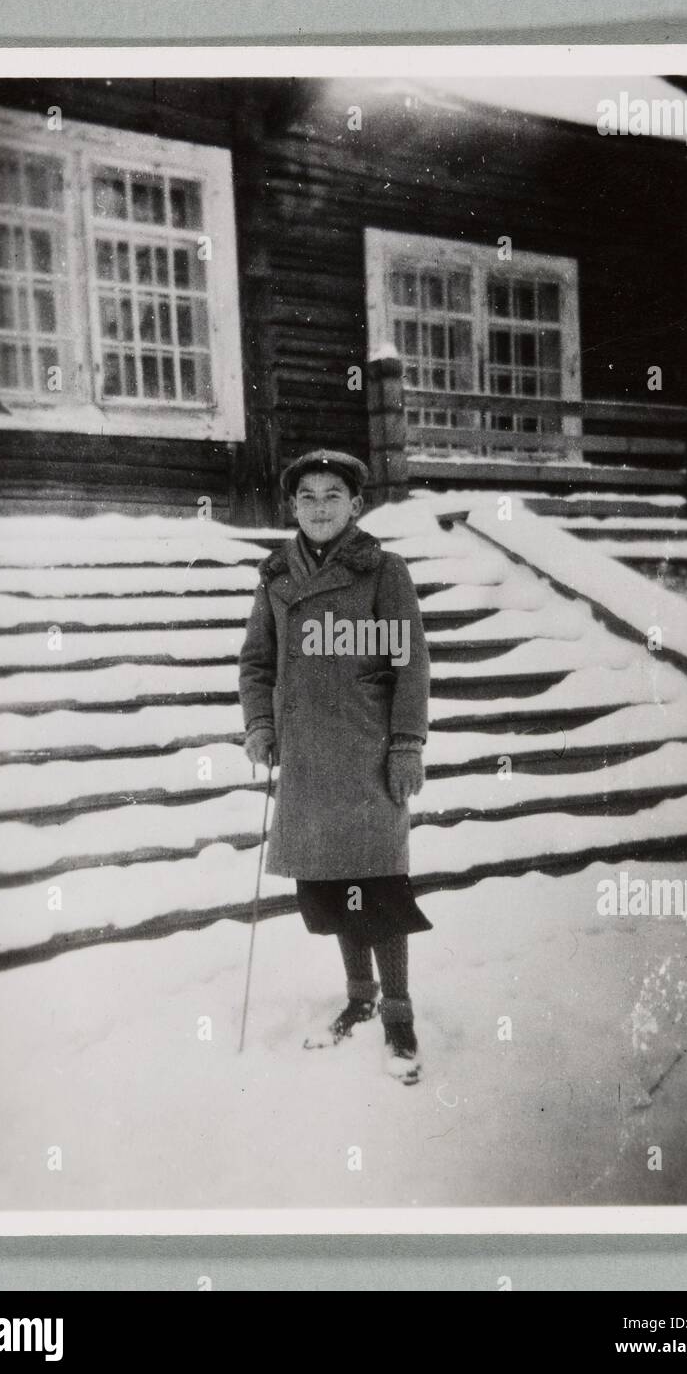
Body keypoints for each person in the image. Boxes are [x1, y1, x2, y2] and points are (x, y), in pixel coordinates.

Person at [238, 450, 432, 1084]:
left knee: (379, 882)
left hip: (369, 754)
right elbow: (256, 665)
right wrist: (261, 725)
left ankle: (398, 1015)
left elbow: (410, 664)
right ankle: (359, 995)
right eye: (308, 497)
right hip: (307, 761)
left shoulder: (385, 571)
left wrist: (406, 743)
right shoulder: (275, 577)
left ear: (356, 505)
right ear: (293, 507)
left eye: (332, 496)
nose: (319, 507)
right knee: (333, 879)